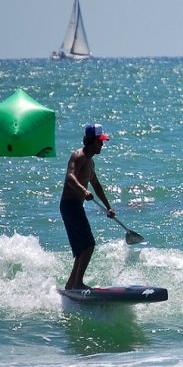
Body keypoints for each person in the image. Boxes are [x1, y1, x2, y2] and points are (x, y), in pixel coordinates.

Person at [59, 124, 116, 290]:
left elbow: (97, 185)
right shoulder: (78, 156)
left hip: (75, 206)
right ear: (91, 141)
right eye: (100, 142)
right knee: (89, 245)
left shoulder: (90, 162)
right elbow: (70, 177)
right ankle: (78, 283)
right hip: (70, 205)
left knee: (81, 248)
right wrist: (84, 191)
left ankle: (71, 284)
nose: (102, 145)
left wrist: (108, 207)